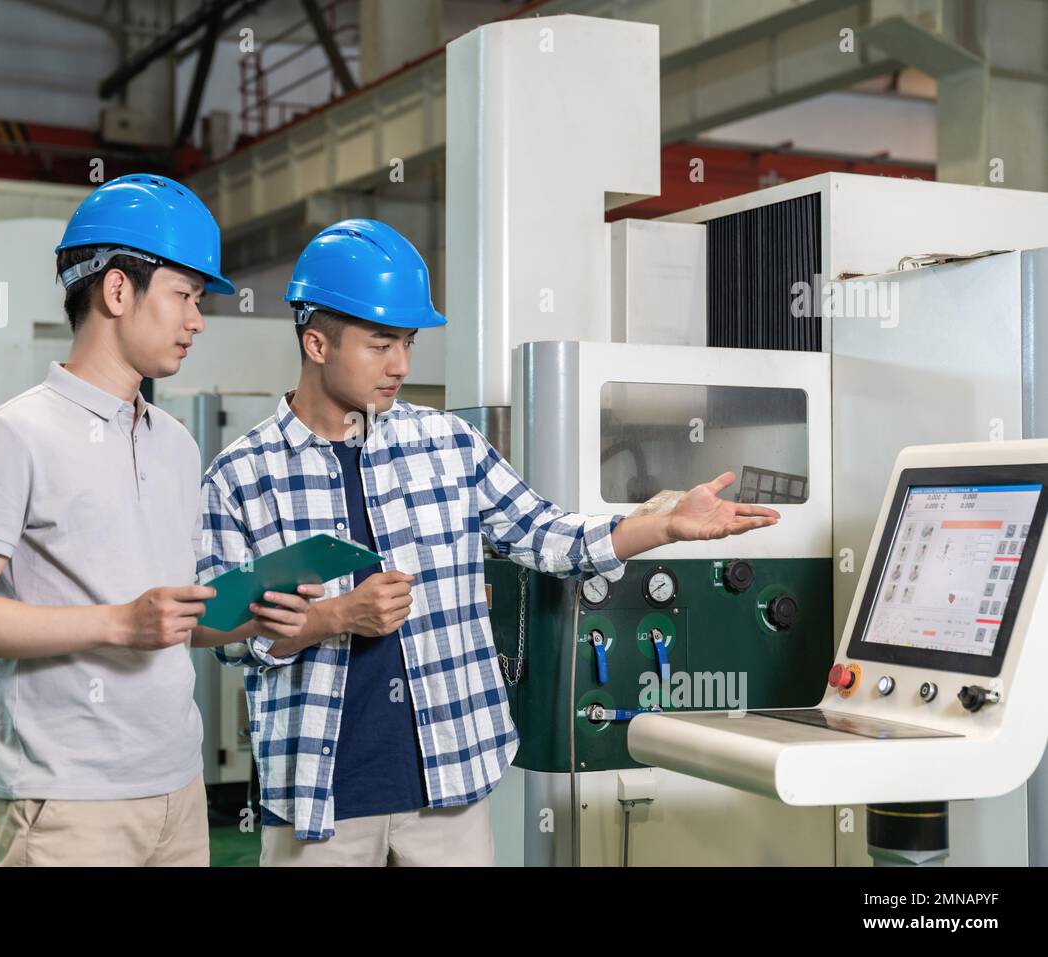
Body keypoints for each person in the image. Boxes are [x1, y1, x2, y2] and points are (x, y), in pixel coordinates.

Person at [198, 219, 781, 866]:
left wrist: (664, 523)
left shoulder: (446, 444)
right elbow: (222, 632)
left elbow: (547, 536)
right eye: (381, 343)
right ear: (316, 342)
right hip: (318, 794)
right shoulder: (243, 475)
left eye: (409, 342)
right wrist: (335, 618)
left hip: (451, 781)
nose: (402, 365)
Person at [0, 174, 320, 867]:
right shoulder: (13, 435)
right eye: (185, 295)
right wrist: (117, 623)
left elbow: (173, 617)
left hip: (178, 788)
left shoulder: (175, 441)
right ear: (116, 290)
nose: (197, 319)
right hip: (68, 804)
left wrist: (257, 610)